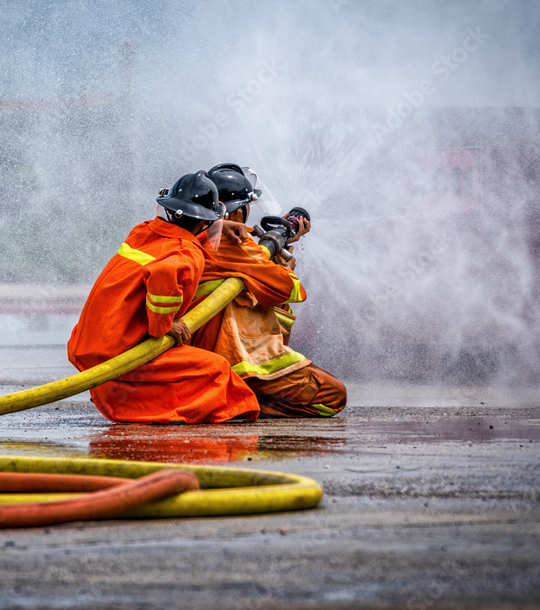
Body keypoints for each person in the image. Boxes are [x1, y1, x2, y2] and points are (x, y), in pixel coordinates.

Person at [67, 170, 261, 424]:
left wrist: (221, 228)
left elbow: (179, 235)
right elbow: (163, 272)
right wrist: (165, 326)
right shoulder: (187, 254)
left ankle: (126, 397)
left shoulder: (143, 232)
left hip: (88, 346)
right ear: (205, 221)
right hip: (117, 353)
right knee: (218, 371)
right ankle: (162, 410)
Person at [188, 163, 347, 417]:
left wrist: (275, 243)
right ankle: (240, 403)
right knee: (333, 395)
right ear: (239, 211)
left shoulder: (196, 238)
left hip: (200, 356)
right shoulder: (234, 246)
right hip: (235, 360)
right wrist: (285, 267)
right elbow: (289, 289)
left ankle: (236, 399)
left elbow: (252, 257)